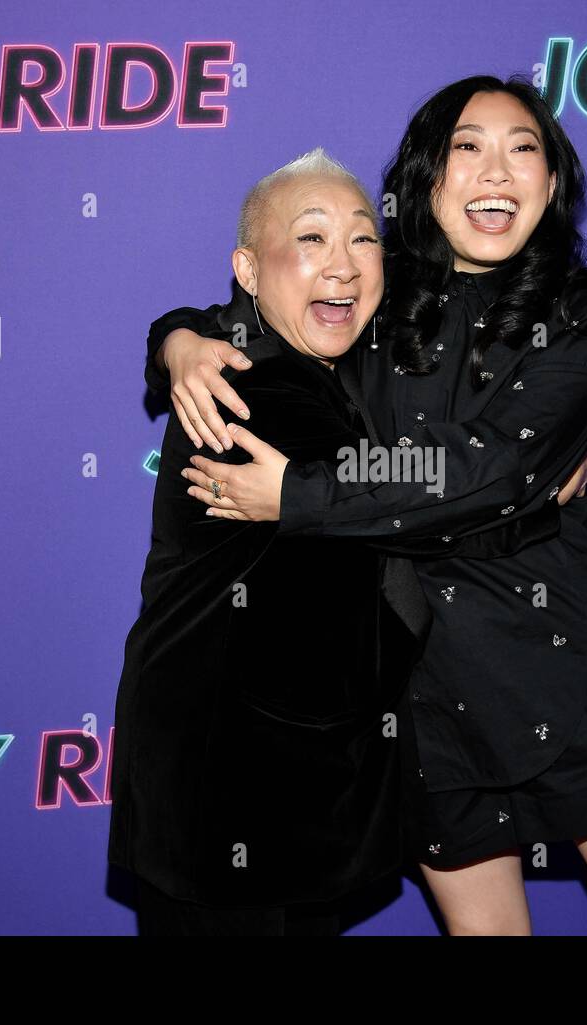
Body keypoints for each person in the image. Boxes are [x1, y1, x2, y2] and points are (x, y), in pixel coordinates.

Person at [149, 77, 587, 935]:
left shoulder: (577, 316)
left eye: (524, 149)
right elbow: (259, 309)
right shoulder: (370, 289)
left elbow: (483, 467)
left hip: (573, 664)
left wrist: (296, 495)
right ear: (426, 176)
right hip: (426, 685)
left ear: (552, 184)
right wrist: (179, 341)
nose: (497, 171)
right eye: (468, 146)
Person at [108, 148, 415, 936]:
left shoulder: (300, 363)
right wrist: (524, 466)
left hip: (257, 785)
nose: (342, 265)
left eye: (363, 238)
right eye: (311, 239)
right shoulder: (261, 391)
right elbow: (419, 508)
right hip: (232, 792)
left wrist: (174, 335)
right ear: (248, 268)